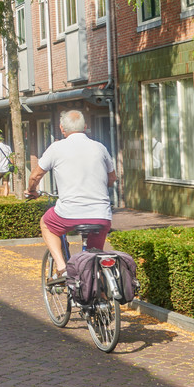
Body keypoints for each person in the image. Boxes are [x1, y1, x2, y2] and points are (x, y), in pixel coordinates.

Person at [25, 110, 116, 280]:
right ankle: (101, 293)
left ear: (61, 128)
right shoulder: (100, 147)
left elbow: (35, 176)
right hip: (101, 215)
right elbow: (112, 179)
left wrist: (31, 191)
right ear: (86, 127)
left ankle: (61, 267)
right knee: (94, 257)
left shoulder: (57, 148)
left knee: (46, 223)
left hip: (69, 213)